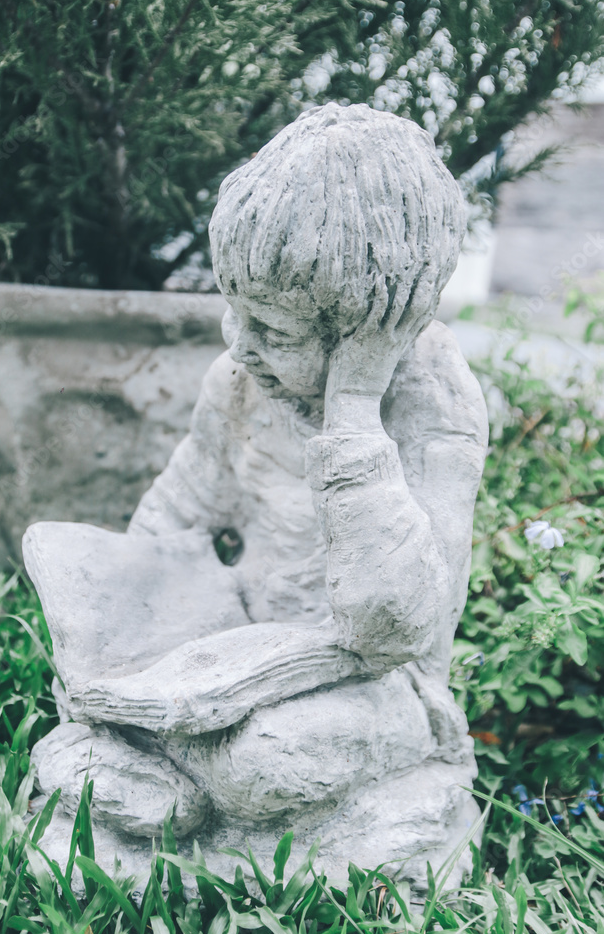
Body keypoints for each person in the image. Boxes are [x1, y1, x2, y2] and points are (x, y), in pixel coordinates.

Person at [27, 104, 488, 887]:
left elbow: (392, 624)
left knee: (265, 761)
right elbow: (176, 510)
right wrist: (118, 625)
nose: (240, 346)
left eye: (271, 330)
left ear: (369, 331)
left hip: (373, 686)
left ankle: (162, 796)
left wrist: (351, 409)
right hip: (234, 643)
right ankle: (154, 778)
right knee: (103, 690)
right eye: (231, 311)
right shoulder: (240, 380)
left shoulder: (431, 404)